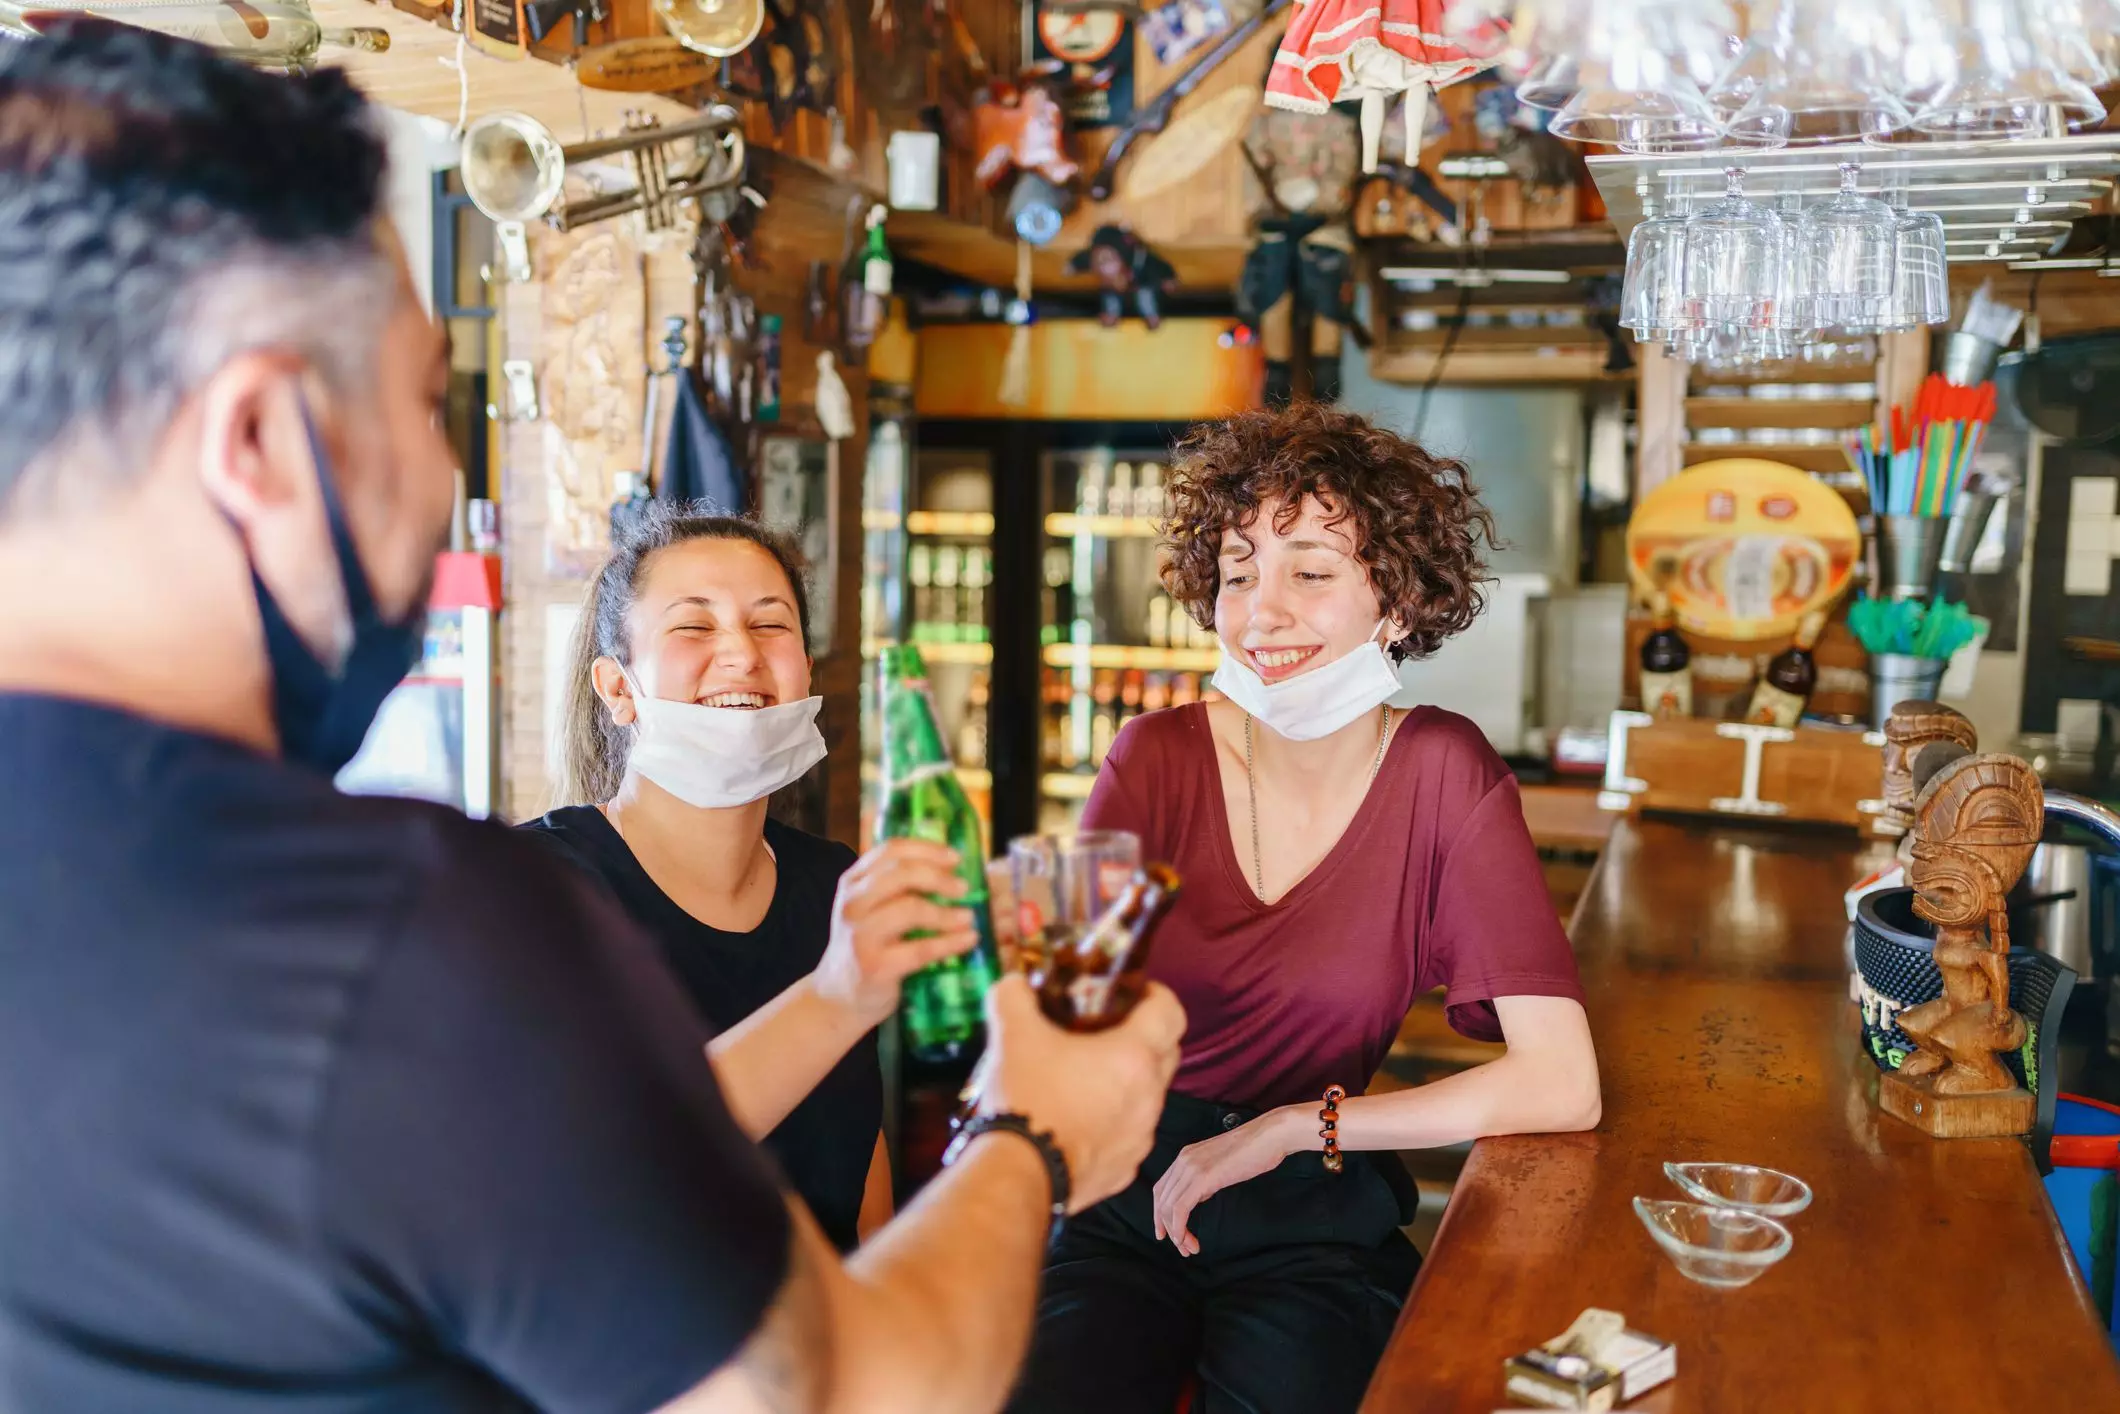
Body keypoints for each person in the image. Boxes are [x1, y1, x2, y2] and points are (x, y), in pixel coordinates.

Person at [0, 25, 1184, 1414]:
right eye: (419, 407)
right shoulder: (409, 933)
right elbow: (853, 1386)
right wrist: (1036, 1127)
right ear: (255, 443)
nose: (443, 470)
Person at [1006, 403, 1602, 1414]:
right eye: (1238, 574)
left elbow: (1563, 1084)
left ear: (1396, 603)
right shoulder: (1149, 758)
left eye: (1310, 572)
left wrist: (1290, 1127)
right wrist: (1030, 955)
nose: (1260, 612)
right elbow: (1054, 1014)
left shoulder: (1444, 772)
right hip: (1118, 1191)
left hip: (1313, 1203)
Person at [524, 507, 899, 1252]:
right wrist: (837, 996)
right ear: (618, 688)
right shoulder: (539, 888)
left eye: (771, 626)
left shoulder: (835, 888)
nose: (741, 654)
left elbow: (864, 1175)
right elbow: (599, 1168)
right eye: (694, 627)